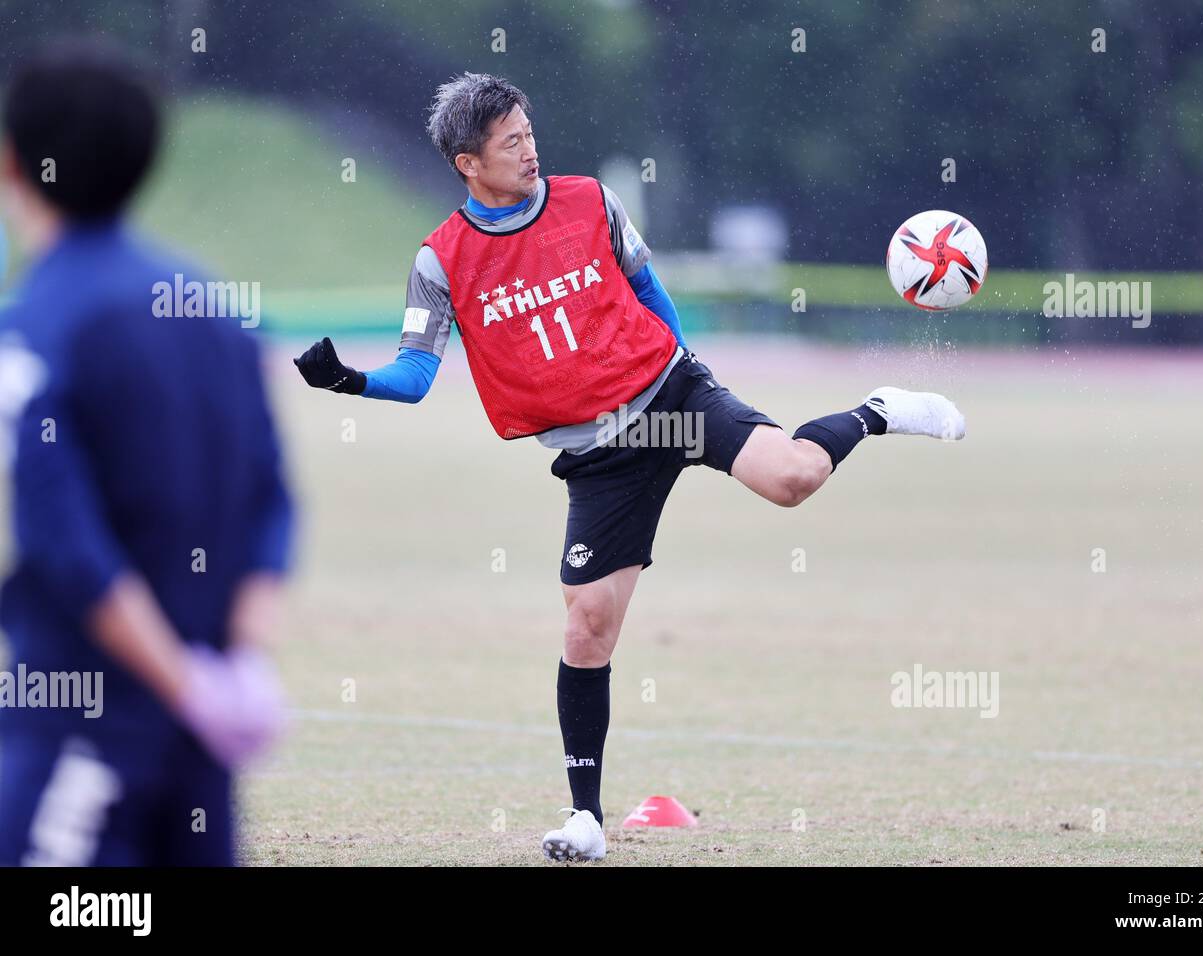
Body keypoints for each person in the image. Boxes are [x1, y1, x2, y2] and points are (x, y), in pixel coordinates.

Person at [294, 72, 964, 863]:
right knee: (588, 627)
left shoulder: (589, 201)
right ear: (467, 163)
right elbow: (415, 374)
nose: (531, 151)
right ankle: (586, 817)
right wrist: (349, 381)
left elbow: (648, 288)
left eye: (530, 133)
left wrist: (689, 368)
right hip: (595, 454)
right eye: (512, 144)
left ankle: (878, 410)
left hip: (671, 394)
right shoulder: (441, 261)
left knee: (793, 481)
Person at [0, 40, 293, 866]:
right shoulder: (218, 314)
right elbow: (271, 501)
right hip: (200, 745)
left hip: (80, 728)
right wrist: (230, 668)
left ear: (14, 163)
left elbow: (67, 545)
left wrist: (172, 679)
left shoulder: (39, 326)